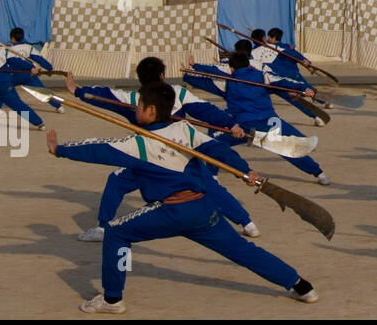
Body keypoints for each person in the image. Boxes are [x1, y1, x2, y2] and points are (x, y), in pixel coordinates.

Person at [47, 83, 319, 313]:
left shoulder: (137, 144)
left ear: (152, 110)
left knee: (116, 233)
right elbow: (219, 151)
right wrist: (245, 171)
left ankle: (112, 299)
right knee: (243, 250)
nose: (136, 110)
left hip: (172, 212)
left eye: (139, 106)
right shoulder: (185, 130)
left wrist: (60, 150)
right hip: (204, 209)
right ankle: (300, 285)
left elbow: (98, 150)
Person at [66, 58, 258, 243]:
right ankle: (247, 223)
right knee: (208, 184)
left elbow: (103, 96)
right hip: (183, 155)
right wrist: (231, 124)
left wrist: (78, 91)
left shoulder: (133, 99)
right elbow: (207, 111)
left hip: (148, 157)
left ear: (139, 78)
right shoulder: (178, 93)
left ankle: (103, 228)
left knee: (117, 181)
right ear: (163, 75)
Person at [185, 52, 330, 185]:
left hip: (243, 124)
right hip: (270, 121)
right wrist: (303, 89)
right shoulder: (262, 76)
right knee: (289, 146)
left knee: (215, 139)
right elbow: (283, 81)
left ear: (231, 68)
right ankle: (320, 174)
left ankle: (212, 176)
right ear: (249, 64)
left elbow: (204, 81)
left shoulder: (226, 81)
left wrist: (189, 73)